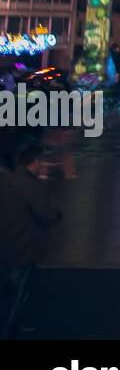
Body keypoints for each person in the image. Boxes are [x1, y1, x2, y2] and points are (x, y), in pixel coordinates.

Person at [0, 140, 62, 339]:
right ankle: (8, 333)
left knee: (5, 294)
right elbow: (47, 215)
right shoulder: (32, 186)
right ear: (35, 161)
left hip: (4, 246)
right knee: (17, 298)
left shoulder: (6, 181)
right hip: (23, 248)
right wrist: (57, 213)